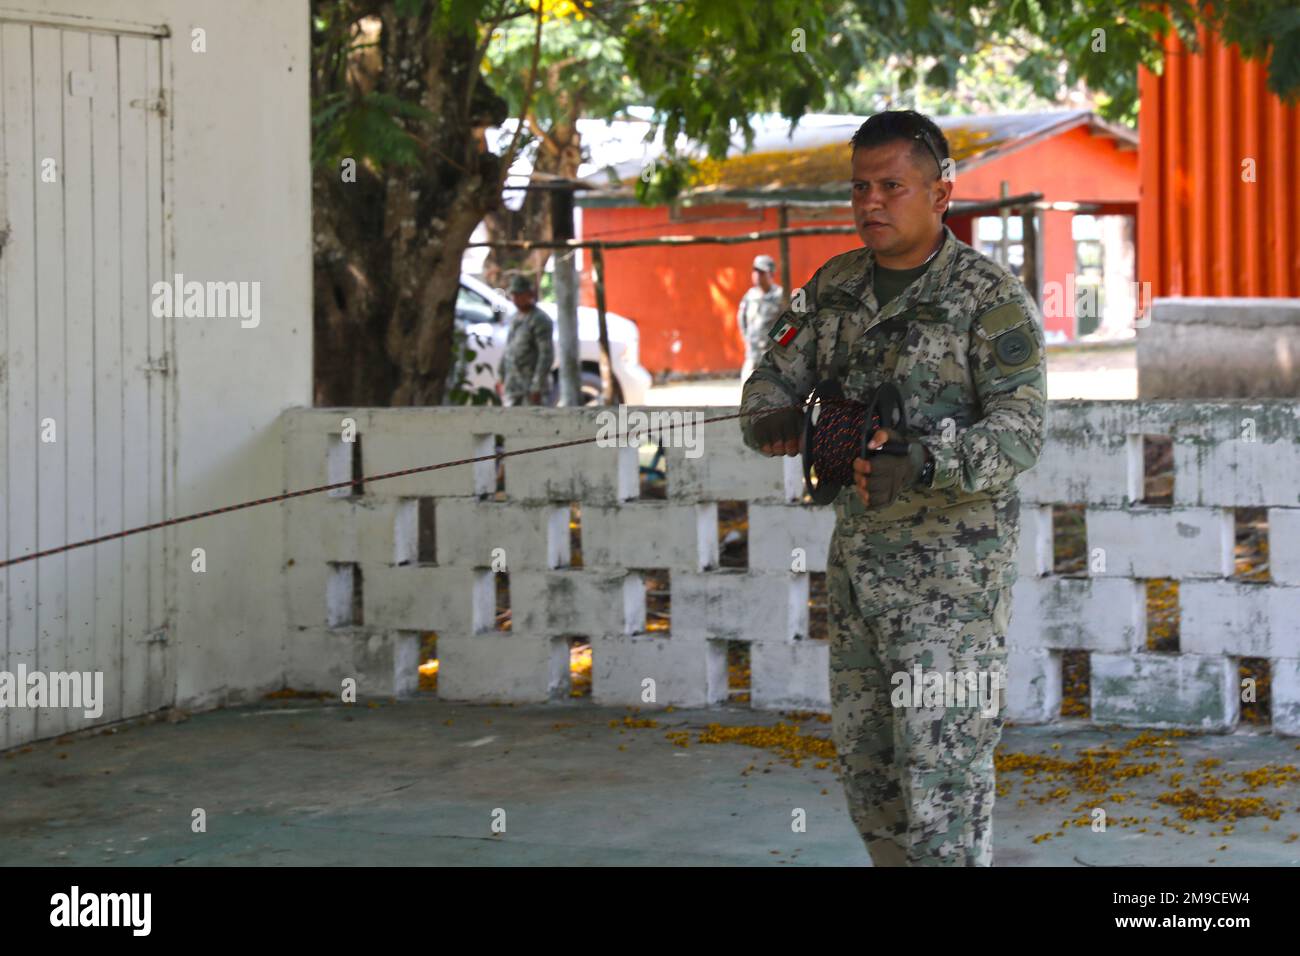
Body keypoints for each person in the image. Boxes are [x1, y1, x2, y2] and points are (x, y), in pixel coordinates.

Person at [738, 110, 1047, 866]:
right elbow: (769, 376)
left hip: (951, 591)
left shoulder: (987, 297)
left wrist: (929, 461)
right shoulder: (834, 286)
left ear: (941, 193)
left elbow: (1020, 432)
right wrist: (772, 416)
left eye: (891, 186)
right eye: (860, 187)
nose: (871, 202)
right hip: (859, 577)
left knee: (943, 783)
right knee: (872, 780)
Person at [496, 275, 555, 406]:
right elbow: (508, 349)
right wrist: (501, 377)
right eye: (514, 295)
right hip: (513, 386)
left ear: (529, 294)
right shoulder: (514, 318)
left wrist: (537, 385)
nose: (516, 299)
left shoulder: (540, 320)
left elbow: (546, 355)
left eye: (519, 294)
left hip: (530, 387)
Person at [737, 254, 785, 382]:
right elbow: (741, 319)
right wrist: (747, 339)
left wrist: (778, 345)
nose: (757, 275)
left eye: (761, 272)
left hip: (773, 359)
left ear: (771, 274)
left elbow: (790, 323)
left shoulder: (780, 296)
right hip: (752, 356)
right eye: (755, 271)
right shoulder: (750, 296)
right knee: (747, 389)